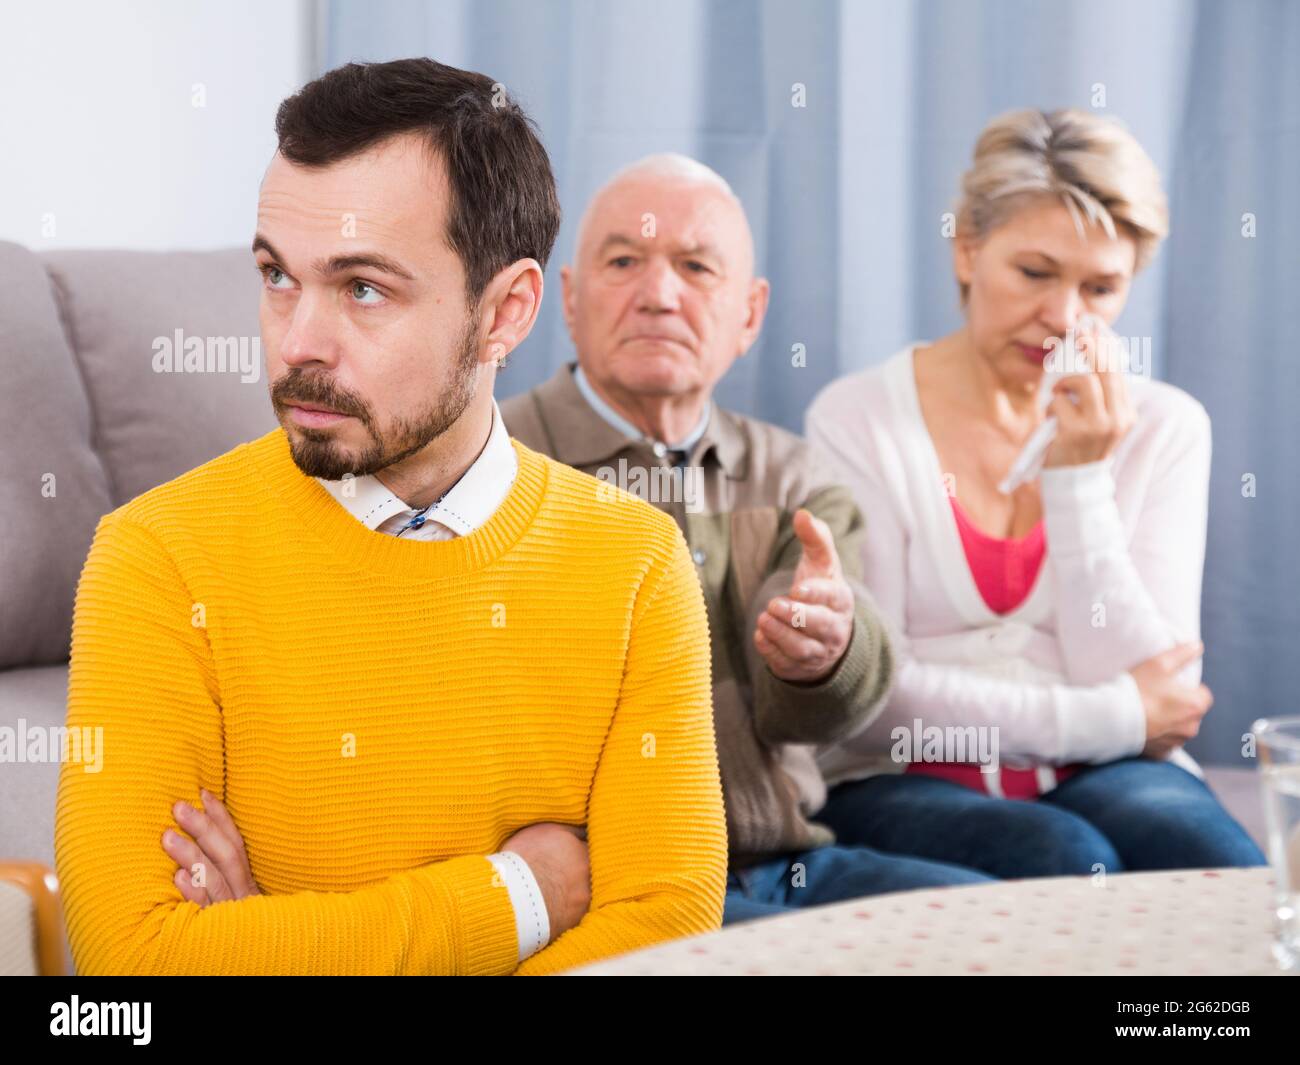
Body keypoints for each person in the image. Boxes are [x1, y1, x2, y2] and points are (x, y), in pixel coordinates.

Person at [54, 58, 729, 976]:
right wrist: (522, 894)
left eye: (363, 288)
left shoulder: (637, 565)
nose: (297, 343)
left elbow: (668, 935)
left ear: (507, 313)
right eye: (276, 276)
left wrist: (283, 944)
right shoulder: (156, 559)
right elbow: (133, 966)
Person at [501, 153, 994, 923]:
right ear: (568, 296)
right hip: (611, 890)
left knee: (1005, 933)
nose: (658, 295)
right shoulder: (493, 461)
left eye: (696, 266)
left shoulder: (796, 476)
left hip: (788, 861)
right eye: (623, 260)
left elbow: (818, 707)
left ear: (751, 314)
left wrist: (823, 651)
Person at [807, 108, 1265, 877]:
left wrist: (1080, 479)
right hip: (900, 775)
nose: (1064, 318)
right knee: (1064, 858)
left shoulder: (1167, 427)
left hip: (1111, 770)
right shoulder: (858, 418)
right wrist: (1117, 714)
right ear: (967, 249)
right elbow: (877, 699)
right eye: (1035, 272)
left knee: (1219, 869)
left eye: (1101, 287)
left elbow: (1168, 694)